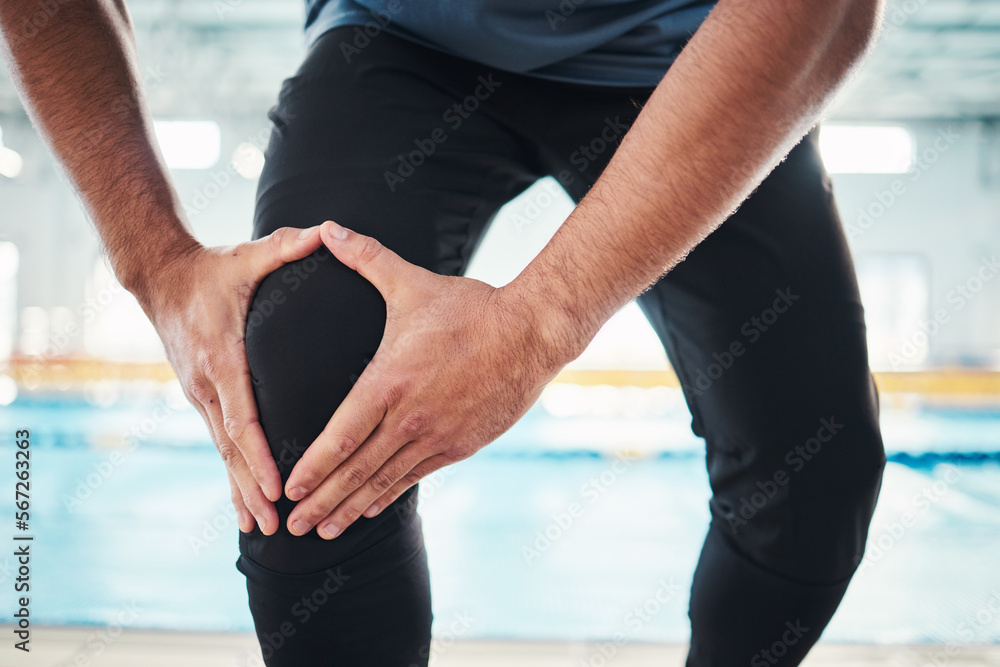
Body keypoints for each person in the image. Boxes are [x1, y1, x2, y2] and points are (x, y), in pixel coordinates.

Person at [0, 0, 888, 664]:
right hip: (402, 38)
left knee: (816, 463)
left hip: (696, 48)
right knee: (305, 380)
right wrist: (155, 264)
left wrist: (541, 322)